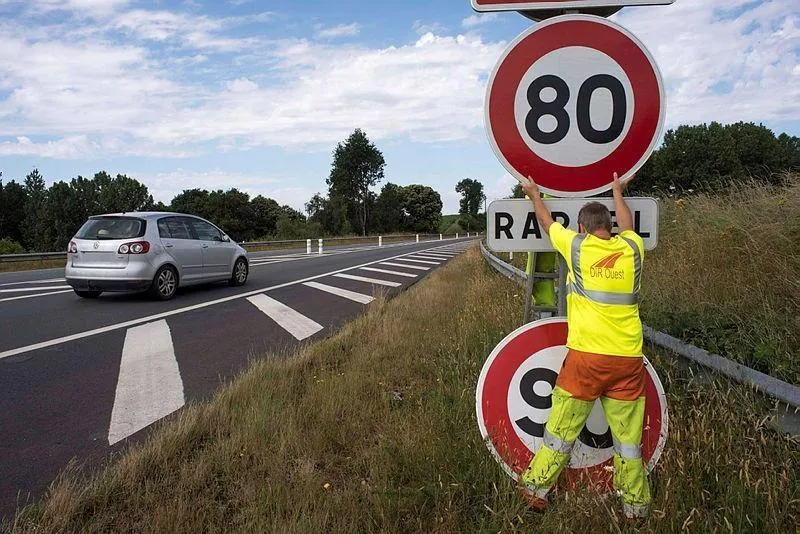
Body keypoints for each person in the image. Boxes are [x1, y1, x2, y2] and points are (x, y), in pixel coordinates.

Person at [518, 172, 651, 522]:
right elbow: (628, 224)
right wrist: (617, 192)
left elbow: (546, 222)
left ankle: (535, 491)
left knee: (561, 430)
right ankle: (635, 509)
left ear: (582, 226)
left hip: (587, 359)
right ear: (611, 227)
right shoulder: (632, 249)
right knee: (627, 441)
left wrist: (533, 193)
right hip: (629, 361)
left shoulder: (577, 246)